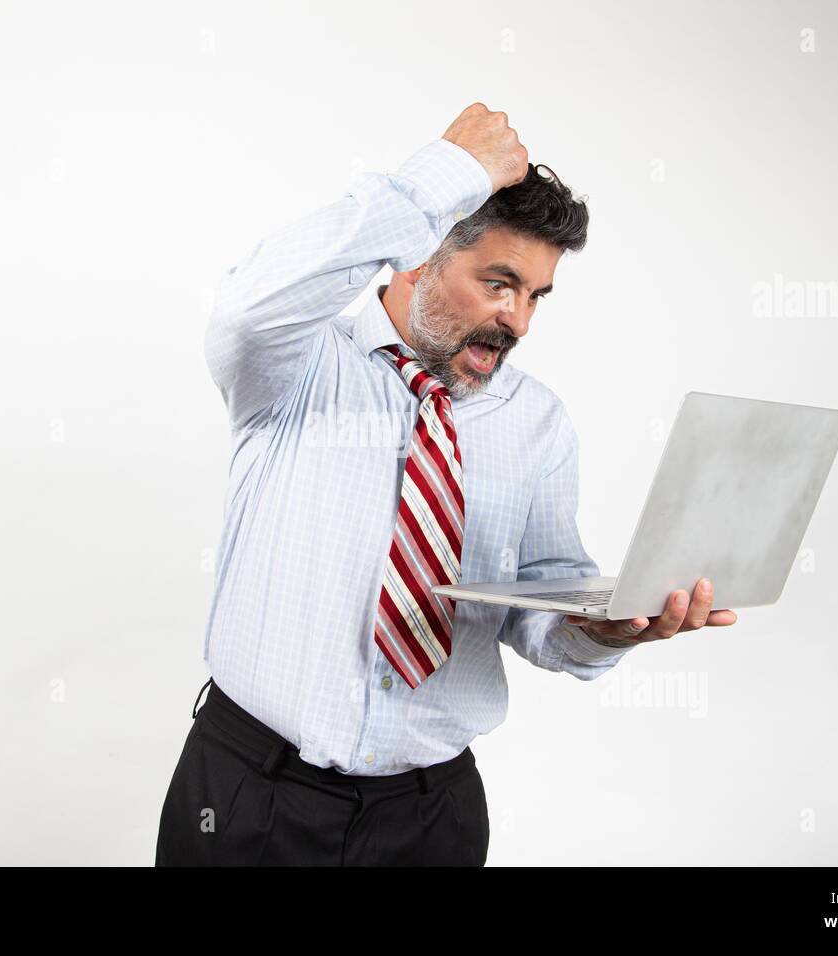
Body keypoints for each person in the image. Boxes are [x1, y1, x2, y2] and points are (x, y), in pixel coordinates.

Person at [155, 103, 737, 866]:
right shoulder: (295, 365)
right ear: (416, 255)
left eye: (534, 296)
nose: (518, 321)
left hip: (432, 819)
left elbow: (536, 600)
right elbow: (245, 306)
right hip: (249, 795)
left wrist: (598, 630)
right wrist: (438, 179)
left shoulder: (535, 421)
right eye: (499, 283)